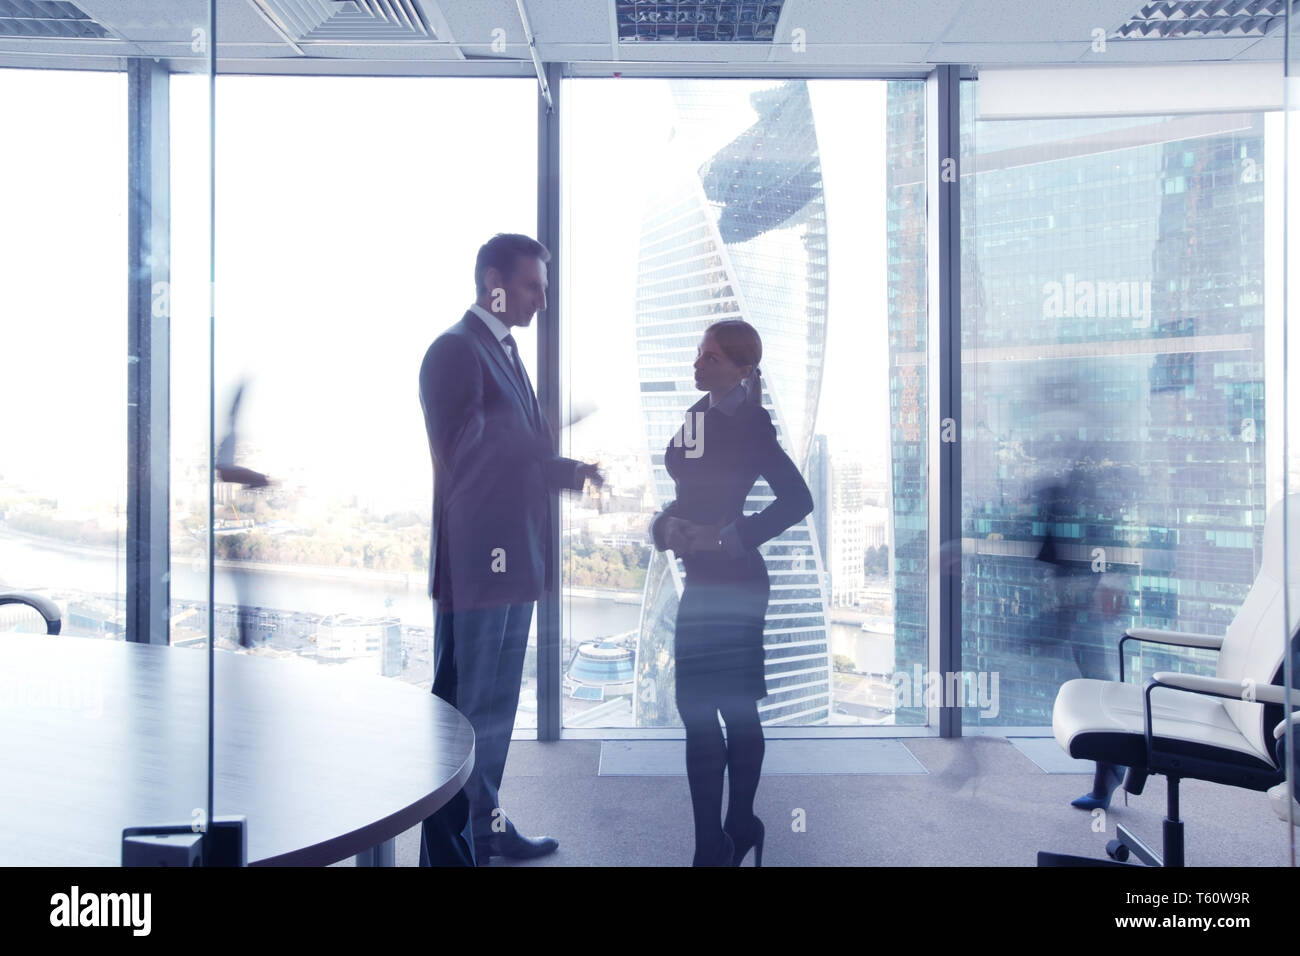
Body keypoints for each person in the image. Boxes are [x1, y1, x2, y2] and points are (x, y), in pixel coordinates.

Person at [418, 233, 603, 866]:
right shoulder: (453, 351)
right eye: (533, 286)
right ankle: (446, 858)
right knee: (459, 724)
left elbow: (518, 452)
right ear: (493, 281)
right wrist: (536, 441)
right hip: (475, 571)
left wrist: (570, 470)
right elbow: (465, 455)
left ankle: (488, 829)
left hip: (514, 565)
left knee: (493, 717)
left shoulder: (504, 353)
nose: (541, 300)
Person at [650, 320, 813, 866]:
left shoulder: (751, 423)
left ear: (742, 369)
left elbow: (797, 500)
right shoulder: (699, 415)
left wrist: (730, 537)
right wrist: (664, 526)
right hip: (703, 582)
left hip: (738, 586)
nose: (698, 365)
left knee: (733, 709)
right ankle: (721, 838)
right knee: (697, 707)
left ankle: (729, 833)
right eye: (699, 354)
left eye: (712, 359)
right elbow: (688, 495)